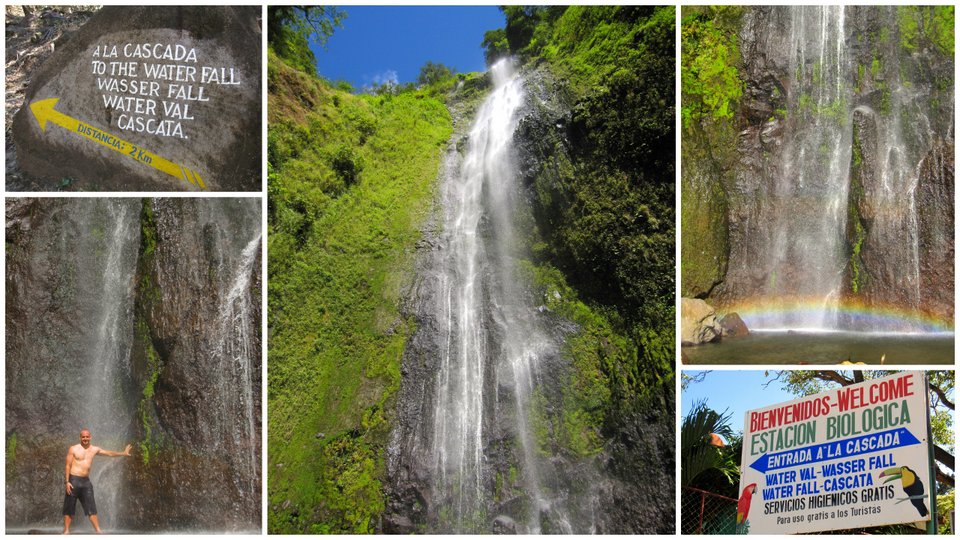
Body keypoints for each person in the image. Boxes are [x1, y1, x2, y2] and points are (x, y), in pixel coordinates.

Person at [63, 429, 131, 534]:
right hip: (74, 480)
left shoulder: (94, 449)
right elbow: (67, 465)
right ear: (80, 437)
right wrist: (67, 482)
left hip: (86, 481)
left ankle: (98, 530)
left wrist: (123, 453)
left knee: (91, 506)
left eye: (87, 437)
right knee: (69, 505)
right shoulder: (73, 449)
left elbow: (109, 453)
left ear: (90, 437)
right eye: (83, 437)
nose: (85, 439)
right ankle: (66, 531)